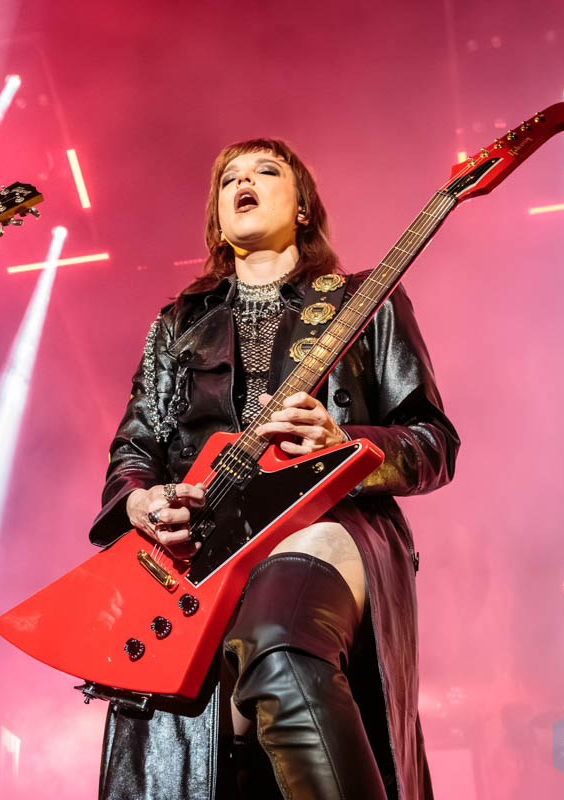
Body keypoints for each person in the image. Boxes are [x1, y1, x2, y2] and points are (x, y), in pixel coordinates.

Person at [88, 139, 458, 799]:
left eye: (265, 170)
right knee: (228, 749)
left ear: (305, 209)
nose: (242, 182)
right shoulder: (177, 324)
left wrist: (346, 440)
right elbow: (135, 450)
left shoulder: (366, 300)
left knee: (280, 644)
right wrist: (140, 503)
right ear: (217, 217)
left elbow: (433, 443)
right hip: (201, 554)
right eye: (228, 177)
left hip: (328, 526)